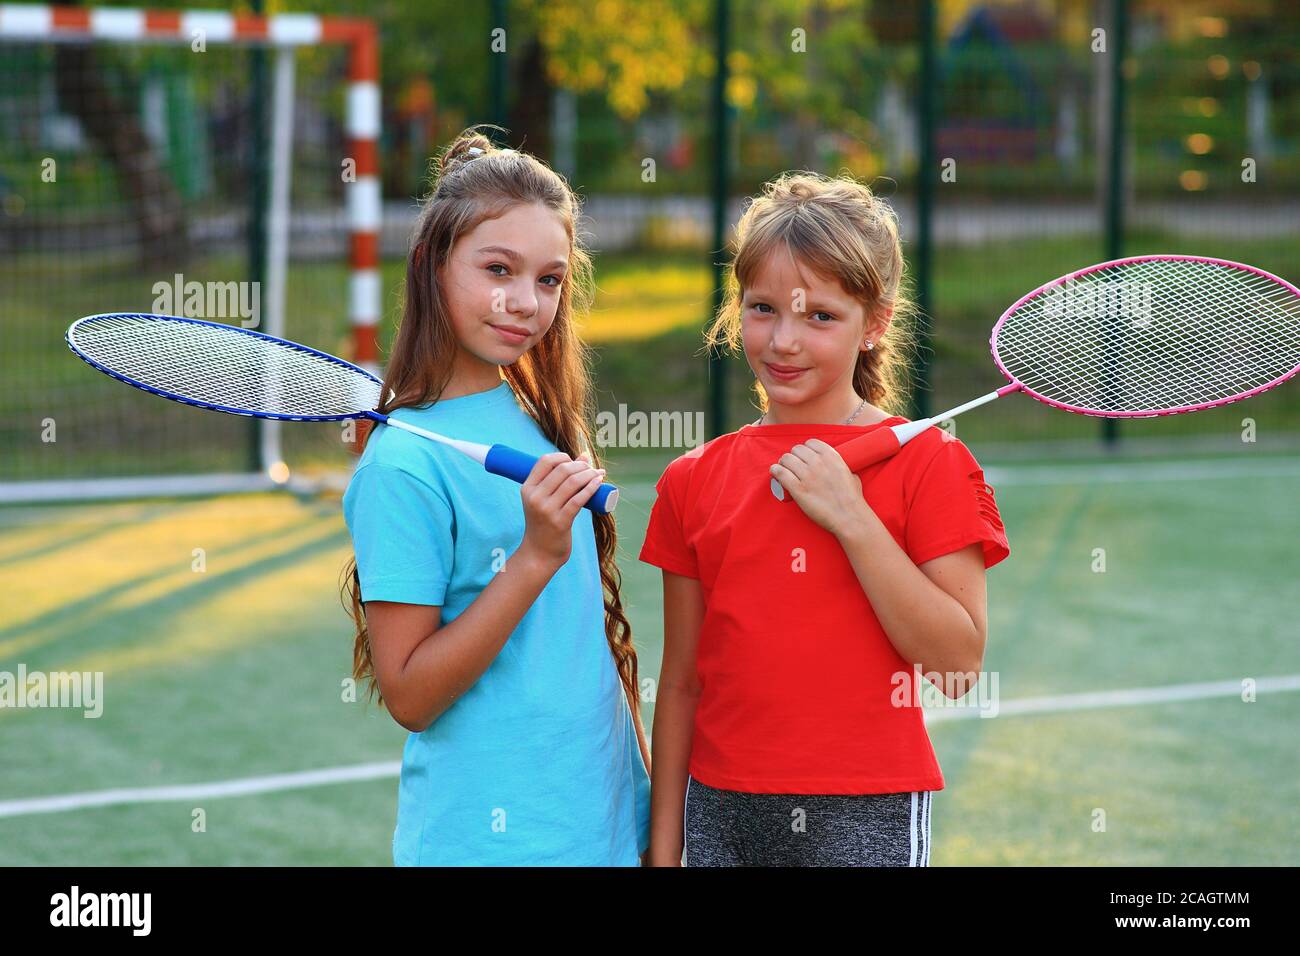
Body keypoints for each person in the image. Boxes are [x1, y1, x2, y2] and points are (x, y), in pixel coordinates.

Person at [640, 171, 1010, 866]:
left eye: (820, 316)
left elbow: (958, 663)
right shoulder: (691, 480)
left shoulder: (931, 464)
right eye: (762, 308)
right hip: (719, 812)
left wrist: (854, 520)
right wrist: (665, 849)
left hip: (864, 810)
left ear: (874, 325)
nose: (784, 341)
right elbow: (683, 681)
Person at [341, 128, 650, 866]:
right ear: (430, 264)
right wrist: (534, 557)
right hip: (491, 840)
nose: (523, 302)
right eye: (497, 269)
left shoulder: (544, 422)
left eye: (548, 280)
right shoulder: (403, 465)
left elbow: (590, 643)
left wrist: (643, 808)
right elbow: (411, 694)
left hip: (604, 823)